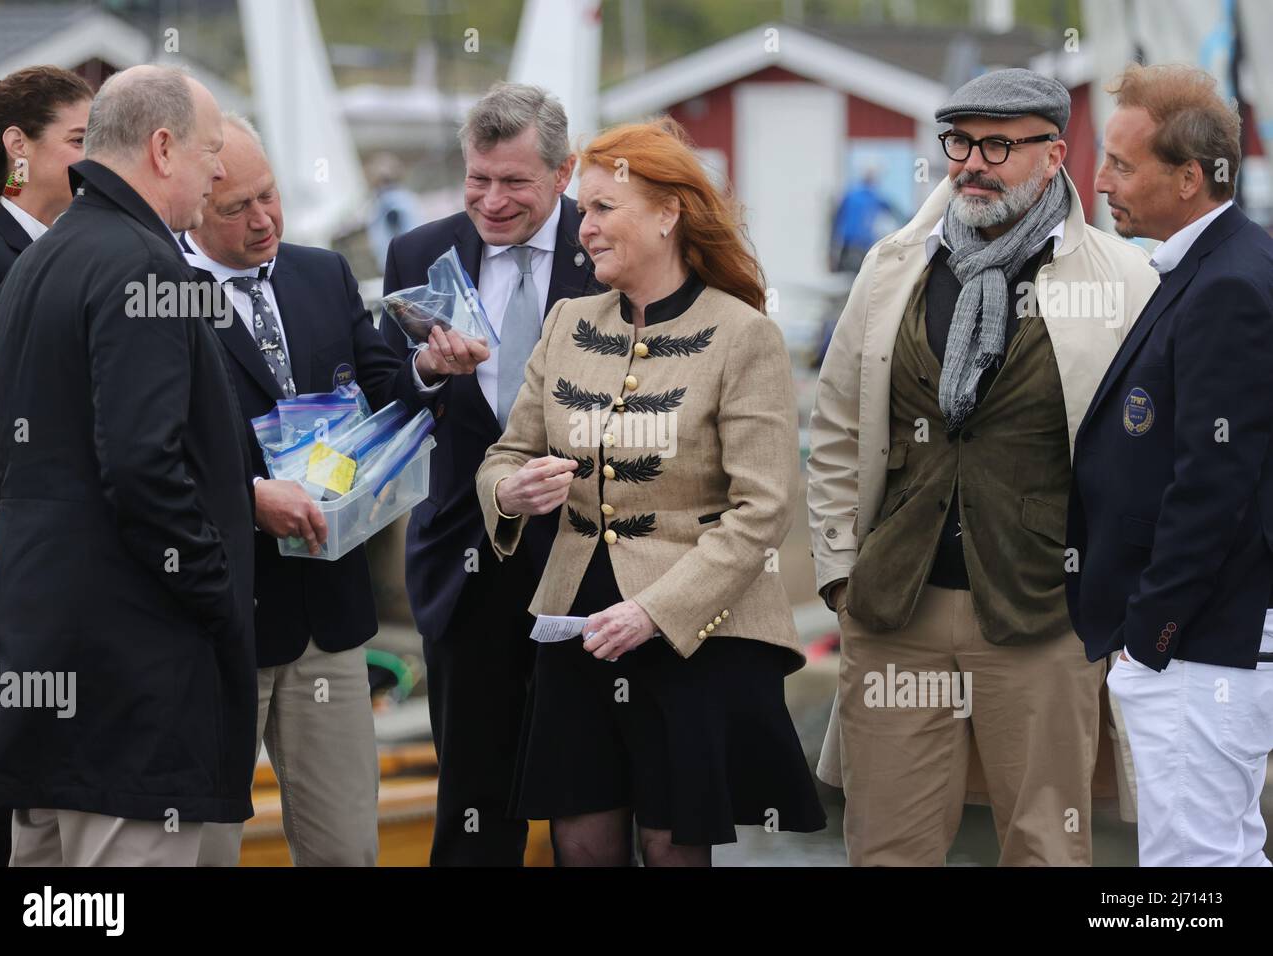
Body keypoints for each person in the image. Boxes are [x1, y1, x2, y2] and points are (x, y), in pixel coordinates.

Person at [807, 68, 1159, 865]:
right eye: (959, 141)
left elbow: (1148, 456)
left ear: (1054, 154)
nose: (972, 162)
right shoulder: (892, 268)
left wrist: (1120, 592)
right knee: (886, 846)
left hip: (1045, 615)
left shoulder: (1121, 280)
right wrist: (837, 574)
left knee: (1045, 847)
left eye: (998, 144)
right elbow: (834, 425)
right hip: (896, 606)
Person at [475, 117, 826, 867]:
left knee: (672, 846)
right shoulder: (567, 323)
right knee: (580, 841)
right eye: (584, 211)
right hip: (575, 627)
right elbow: (503, 455)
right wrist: (510, 492)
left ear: (668, 213)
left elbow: (762, 508)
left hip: (694, 632)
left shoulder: (743, 335)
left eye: (604, 209)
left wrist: (657, 611)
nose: (584, 230)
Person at [0, 65, 257, 866]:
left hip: (43, 666)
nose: (218, 171)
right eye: (209, 152)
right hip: (131, 683)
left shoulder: (39, 258)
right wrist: (216, 588)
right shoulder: (143, 264)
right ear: (163, 147)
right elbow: (140, 465)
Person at [187, 115, 427, 866]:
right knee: (207, 853)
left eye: (271, 197)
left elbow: (382, 388)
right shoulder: (154, 297)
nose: (263, 220)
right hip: (221, 625)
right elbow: (146, 452)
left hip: (331, 613)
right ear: (193, 202)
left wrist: (428, 372)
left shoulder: (322, 271)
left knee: (348, 850)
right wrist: (248, 496)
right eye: (236, 208)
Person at [381, 82, 603, 866]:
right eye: (479, 178)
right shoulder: (418, 252)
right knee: (472, 803)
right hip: (466, 559)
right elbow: (387, 386)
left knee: (596, 800)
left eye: (515, 183)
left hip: (593, 556)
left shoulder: (608, 246)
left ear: (564, 173)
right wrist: (425, 369)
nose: (493, 200)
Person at [1068, 63, 1273, 867]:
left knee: (1196, 866)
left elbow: (1217, 483)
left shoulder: (1229, 285)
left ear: (1189, 178)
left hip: (1198, 642)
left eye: (1122, 164)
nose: (1102, 178)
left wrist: (1150, 633)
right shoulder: (1214, 264)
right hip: (1195, 638)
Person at [0, 64, 92, 869]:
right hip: (2, 567)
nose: (94, 161)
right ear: (19, 146)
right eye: (80, 141)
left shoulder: (54, 250)